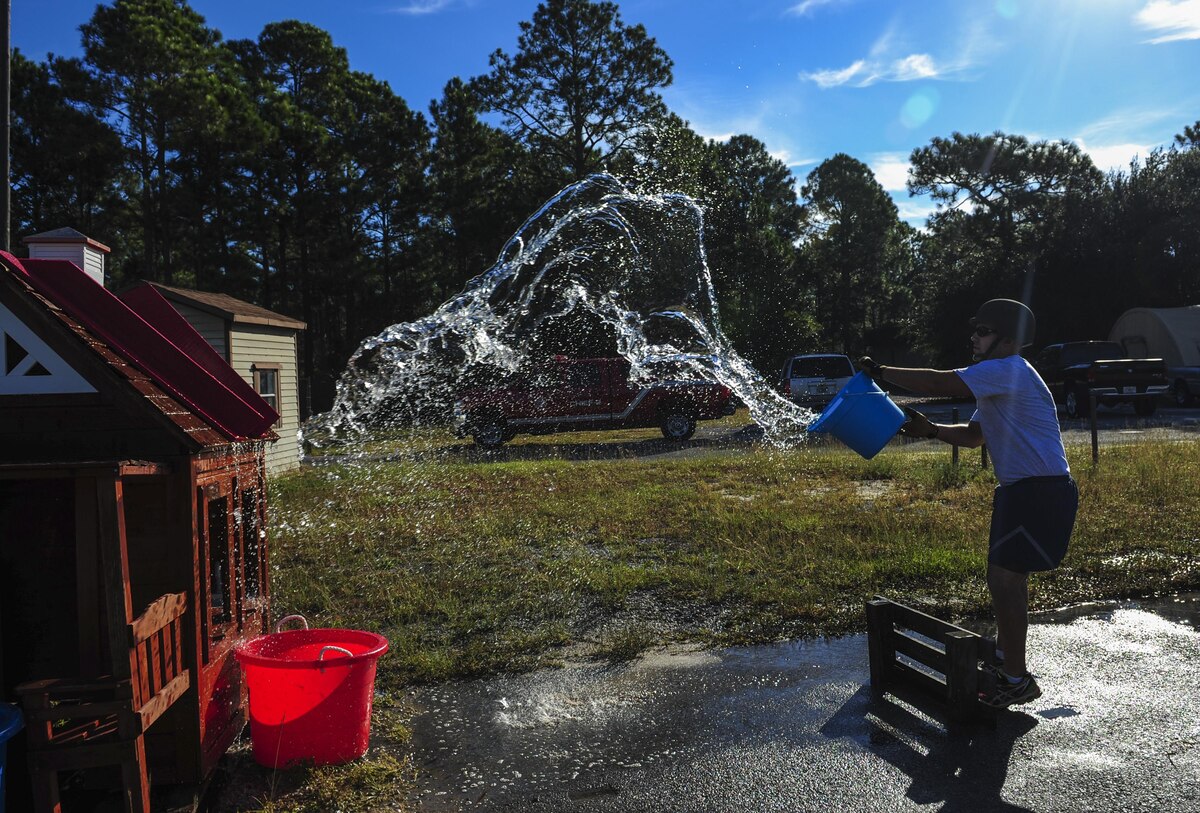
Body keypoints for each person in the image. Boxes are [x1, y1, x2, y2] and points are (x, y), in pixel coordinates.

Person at [859, 298, 1078, 708]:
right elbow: (976, 436)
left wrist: (881, 372)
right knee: (1007, 581)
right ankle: (1008, 663)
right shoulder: (999, 378)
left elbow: (938, 383)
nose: (974, 338)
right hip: (1025, 491)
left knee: (1005, 581)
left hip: (1038, 491)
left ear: (1008, 340)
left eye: (983, 331)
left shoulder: (1008, 369)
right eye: (975, 330)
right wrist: (931, 430)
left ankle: (1016, 678)